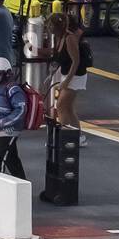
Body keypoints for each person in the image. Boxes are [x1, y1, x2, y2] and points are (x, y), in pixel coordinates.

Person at [44, 12, 91, 146]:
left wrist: (66, 82)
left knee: (61, 106)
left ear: (57, 26)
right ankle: (79, 137)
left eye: (50, 25)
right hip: (69, 74)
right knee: (69, 108)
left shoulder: (70, 38)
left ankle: (65, 137)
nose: (49, 28)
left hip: (75, 76)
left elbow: (75, 61)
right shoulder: (60, 38)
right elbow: (59, 56)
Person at [0, 57, 26, 179]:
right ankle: (22, 184)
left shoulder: (13, 89)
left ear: (7, 74)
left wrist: (4, 122)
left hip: (9, 130)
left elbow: (21, 110)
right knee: (11, 158)